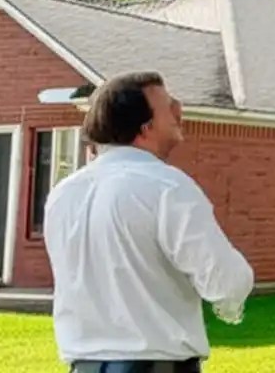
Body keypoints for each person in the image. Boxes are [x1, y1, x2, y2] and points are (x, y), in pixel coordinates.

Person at [43, 71, 255, 373]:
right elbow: (224, 282)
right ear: (145, 127)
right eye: (169, 106)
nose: (179, 112)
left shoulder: (63, 195)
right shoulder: (166, 187)